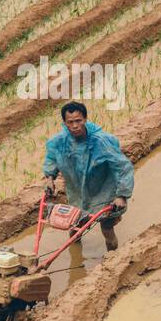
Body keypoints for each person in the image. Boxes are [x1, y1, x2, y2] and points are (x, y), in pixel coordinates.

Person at [42, 101, 134, 252]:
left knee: (107, 229)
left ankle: (112, 259)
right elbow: (51, 159)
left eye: (78, 121)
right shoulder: (59, 142)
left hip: (104, 191)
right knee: (74, 225)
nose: (75, 126)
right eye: (70, 122)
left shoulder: (101, 141)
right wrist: (50, 179)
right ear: (65, 123)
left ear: (85, 119)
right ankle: (75, 252)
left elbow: (123, 167)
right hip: (77, 192)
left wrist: (122, 196)